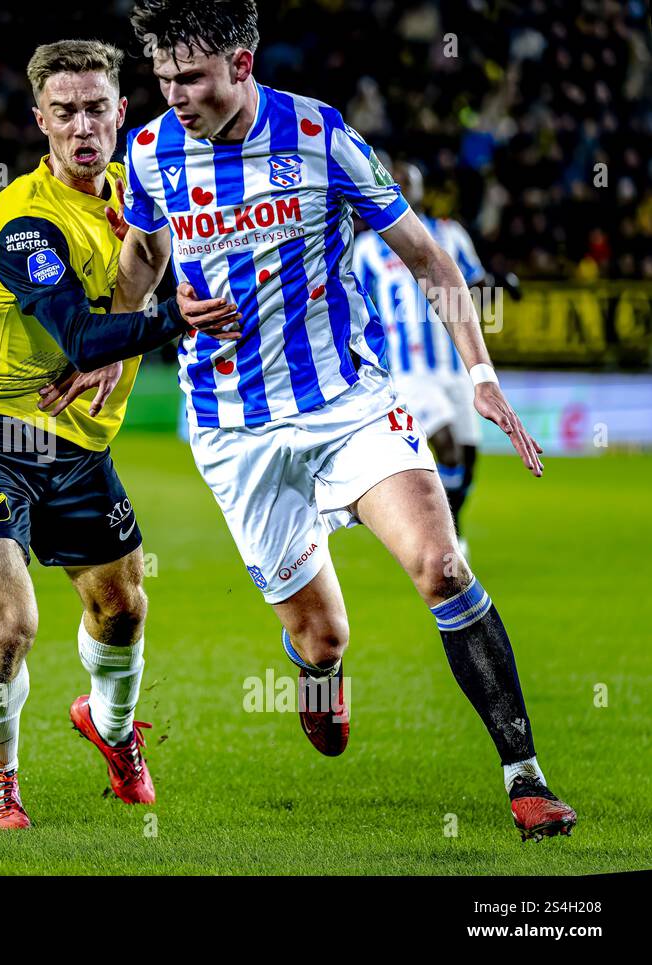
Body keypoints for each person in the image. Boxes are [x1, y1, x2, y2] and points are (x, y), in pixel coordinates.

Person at [105, 0, 576, 840]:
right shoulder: (147, 151)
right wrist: (133, 330)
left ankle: (525, 775)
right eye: (164, 77)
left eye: (192, 77)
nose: (174, 94)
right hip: (232, 429)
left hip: (349, 403)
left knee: (442, 566)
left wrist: (479, 373)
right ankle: (319, 668)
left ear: (243, 66)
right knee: (322, 641)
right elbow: (142, 256)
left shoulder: (317, 135)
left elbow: (428, 257)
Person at [0, 38, 239, 828]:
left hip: (78, 447)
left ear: (121, 112)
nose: (82, 126)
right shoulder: (25, 225)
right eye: (63, 112)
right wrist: (169, 320)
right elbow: (76, 335)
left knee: (123, 608)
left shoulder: (140, 187)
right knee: (9, 625)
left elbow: (157, 245)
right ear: (40, 121)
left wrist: (147, 282)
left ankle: (112, 728)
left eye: (96, 108)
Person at [354, 160, 491, 555]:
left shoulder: (449, 234)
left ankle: (455, 526)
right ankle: (446, 540)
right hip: (409, 369)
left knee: (466, 455)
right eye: (392, 180)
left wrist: (501, 284)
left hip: (456, 365)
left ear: (418, 189)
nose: (398, 186)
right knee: (445, 443)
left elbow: (474, 282)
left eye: (406, 181)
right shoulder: (366, 248)